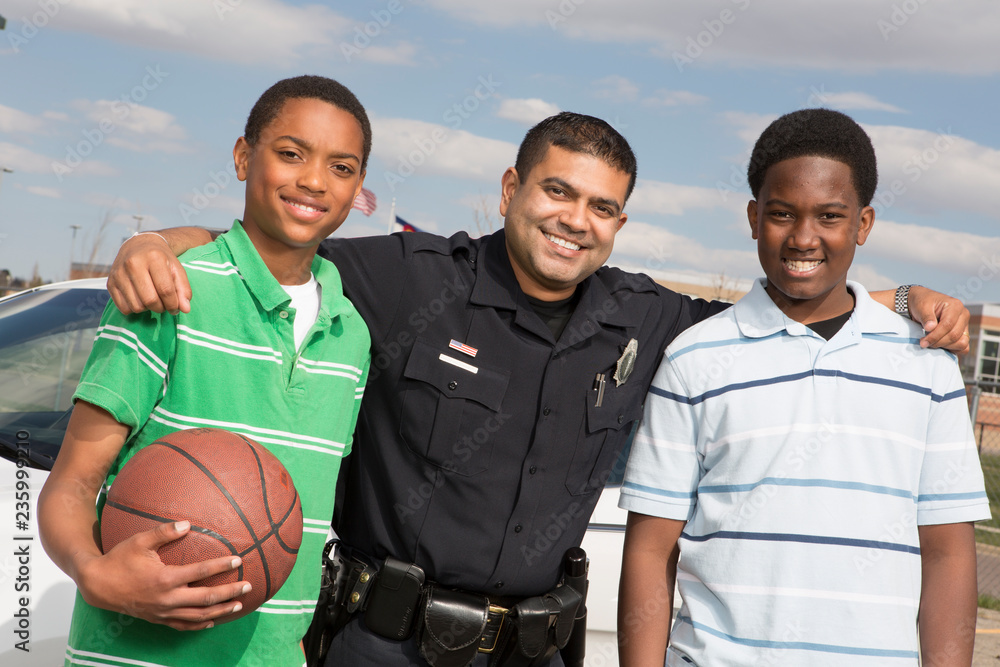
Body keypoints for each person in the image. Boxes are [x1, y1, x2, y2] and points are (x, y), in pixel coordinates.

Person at [106, 111, 971, 667]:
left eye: (601, 206)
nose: (574, 219)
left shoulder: (647, 318)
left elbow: (792, 286)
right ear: (513, 189)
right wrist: (165, 242)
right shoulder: (408, 279)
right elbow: (282, 245)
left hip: (538, 650)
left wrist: (908, 299)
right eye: (558, 191)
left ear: (620, 223)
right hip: (384, 645)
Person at [617, 108, 989, 667]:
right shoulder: (693, 359)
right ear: (752, 217)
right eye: (782, 213)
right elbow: (649, 549)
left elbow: (947, 554)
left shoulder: (926, 365)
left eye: (829, 216)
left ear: (863, 225)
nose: (803, 237)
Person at [38, 75, 372, 666]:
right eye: (290, 154)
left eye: (341, 167)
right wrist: (94, 574)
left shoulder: (351, 334)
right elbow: (72, 484)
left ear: (358, 186)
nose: (314, 181)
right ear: (244, 157)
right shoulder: (168, 287)